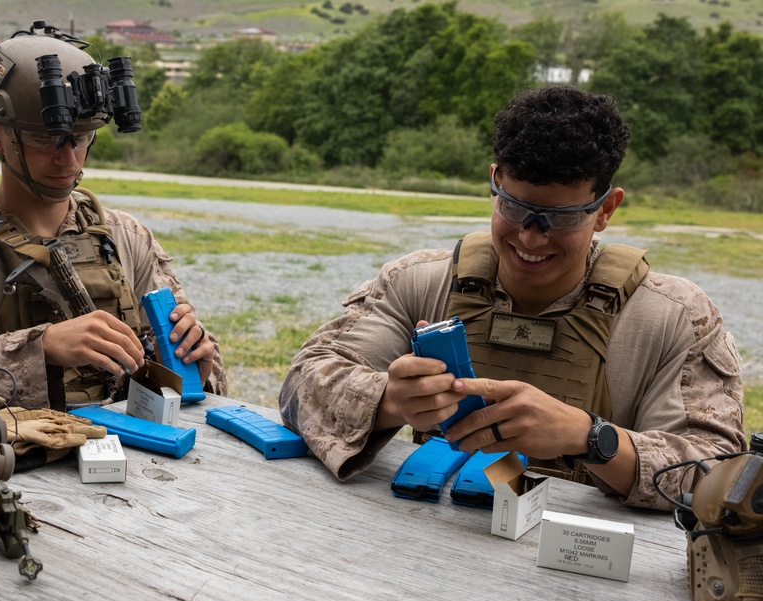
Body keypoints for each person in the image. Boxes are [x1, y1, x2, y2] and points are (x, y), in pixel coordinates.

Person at [278, 86, 745, 510]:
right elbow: (301, 385)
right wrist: (390, 401)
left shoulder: (673, 317)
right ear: (494, 183)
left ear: (605, 209)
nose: (530, 237)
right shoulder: (419, 283)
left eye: (561, 218)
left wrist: (589, 437)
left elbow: (719, 474)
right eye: (514, 207)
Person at [0, 21, 226, 418]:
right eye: (46, 139)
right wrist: (39, 349)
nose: (68, 159)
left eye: (81, 138)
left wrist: (194, 367)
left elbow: (202, 377)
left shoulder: (127, 239)